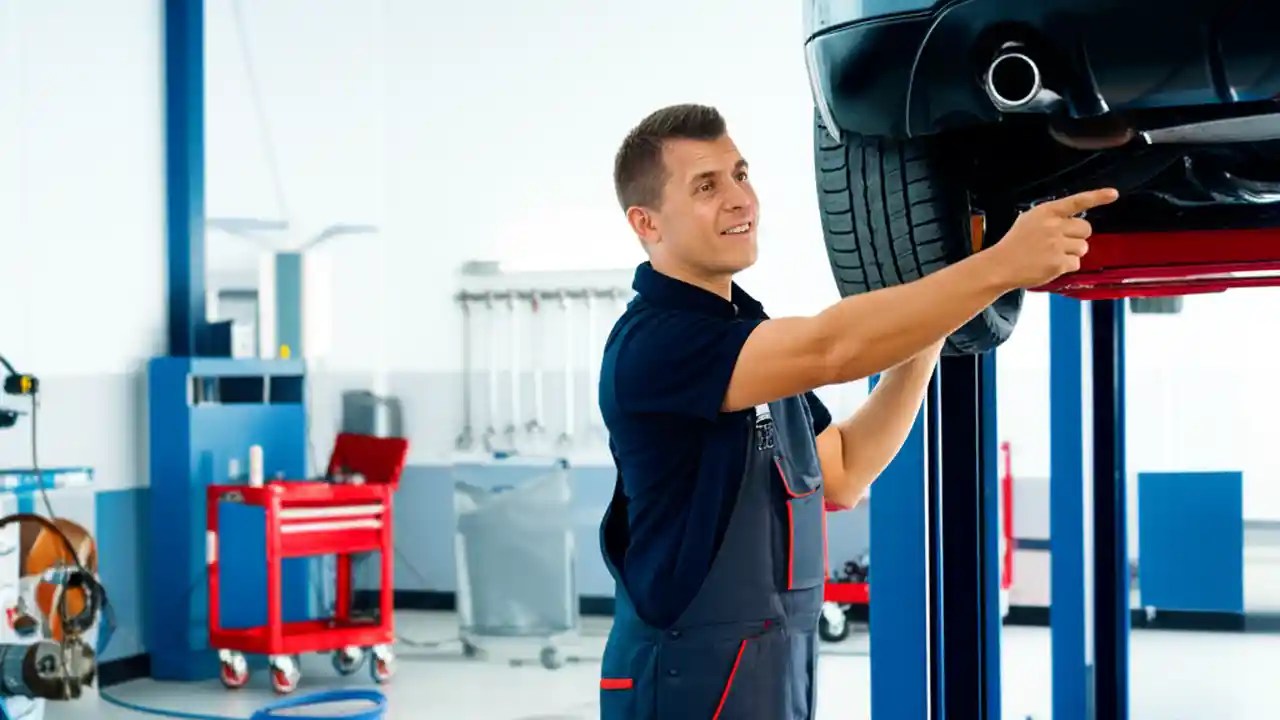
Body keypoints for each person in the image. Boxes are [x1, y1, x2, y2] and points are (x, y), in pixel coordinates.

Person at [595, 103, 1117, 719]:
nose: (740, 199)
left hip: (770, 676)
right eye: (706, 186)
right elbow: (832, 346)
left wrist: (940, 308)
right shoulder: (657, 344)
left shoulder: (745, 335)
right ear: (646, 222)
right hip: (685, 687)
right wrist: (999, 265)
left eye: (740, 174)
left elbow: (844, 469)